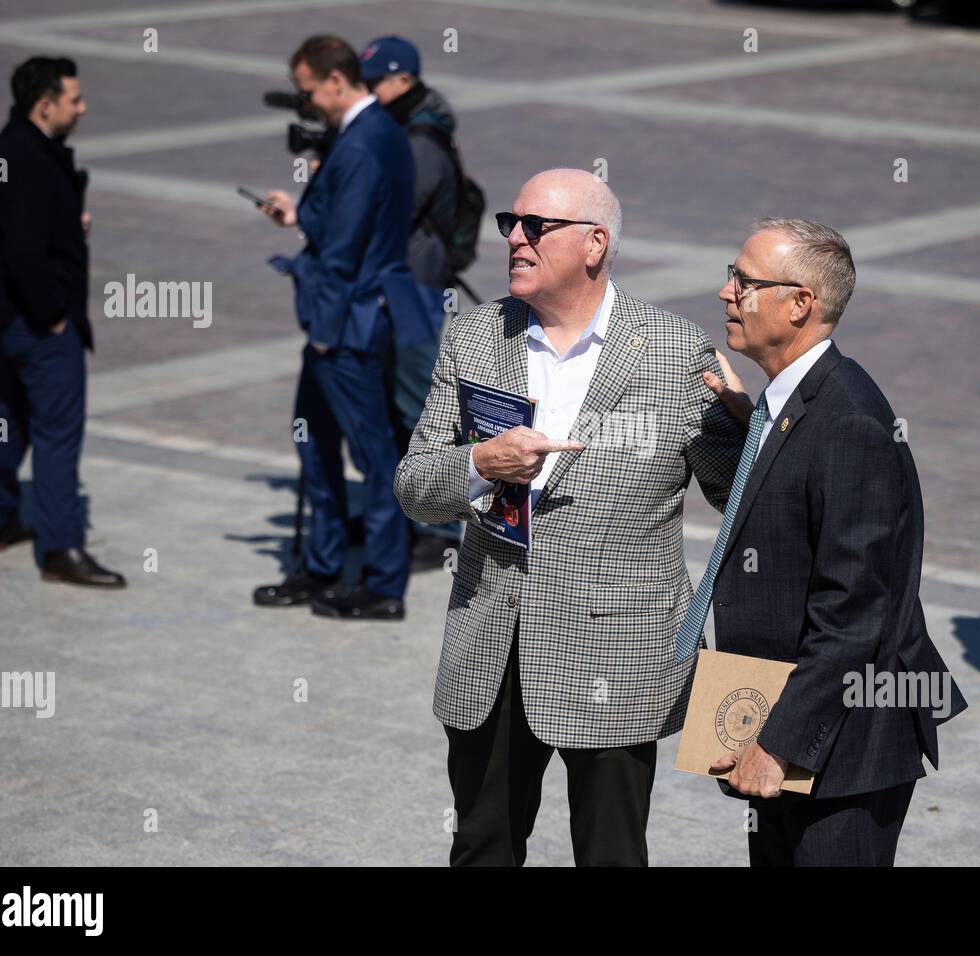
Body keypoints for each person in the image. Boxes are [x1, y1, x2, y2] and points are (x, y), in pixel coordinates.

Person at [394, 169, 745, 866]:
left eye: (536, 227)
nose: (514, 240)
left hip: (614, 651)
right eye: (510, 224)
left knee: (612, 854)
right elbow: (414, 486)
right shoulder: (474, 337)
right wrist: (479, 464)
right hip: (493, 644)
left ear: (595, 244)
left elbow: (737, 498)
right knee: (481, 848)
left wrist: (749, 428)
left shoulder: (675, 351)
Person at [701, 219, 967, 866]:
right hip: (781, 718)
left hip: (840, 748)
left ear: (800, 304)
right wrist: (751, 427)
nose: (725, 293)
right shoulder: (788, 403)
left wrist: (781, 742)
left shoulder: (847, 422)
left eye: (744, 280)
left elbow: (855, 611)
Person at [250, 35, 421, 620]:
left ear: (336, 81)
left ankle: (382, 584)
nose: (307, 105)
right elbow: (350, 223)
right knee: (314, 443)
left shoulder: (366, 143)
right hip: (345, 318)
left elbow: (344, 253)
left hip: (347, 325)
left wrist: (309, 293)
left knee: (373, 455)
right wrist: (301, 213)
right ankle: (321, 565)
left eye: (308, 92)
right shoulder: (371, 135)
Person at [0, 56, 125, 588]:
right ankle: (60, 548)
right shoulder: (25, 158)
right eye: (74, 99)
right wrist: (53, 317)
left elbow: (21, 229)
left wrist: (70, 225)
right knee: (57, 432)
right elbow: (24, 251)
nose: (83, 108)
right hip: (36, 323)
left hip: (5, 317)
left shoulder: (12, 150)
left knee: (9, 411)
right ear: (44, 103)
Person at [362, 35, 463, 566]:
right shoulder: (401, 126)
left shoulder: (421, 139)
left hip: (416, 290)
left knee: (419, 405)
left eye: (373, 82)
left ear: (402, 80)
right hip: (399, 285)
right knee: (394, 399)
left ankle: (441, 528)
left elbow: (395, 208)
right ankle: (407, 514)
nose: (367, 92)